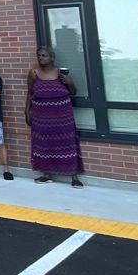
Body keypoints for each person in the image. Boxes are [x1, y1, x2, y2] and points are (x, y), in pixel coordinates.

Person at [26, 45, 83, 187]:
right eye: (38, 55)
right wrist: (27, 112)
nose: (40, 58)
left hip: (62, 117)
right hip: (41, 117)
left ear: (52, 57)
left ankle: (74, 176)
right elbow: (30, 93)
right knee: (43, 145)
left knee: (67, 144)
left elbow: (73, 92)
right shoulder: (34, 73)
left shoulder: (61, 73)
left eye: (44, 55)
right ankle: (46, 174)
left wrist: (70, 83)